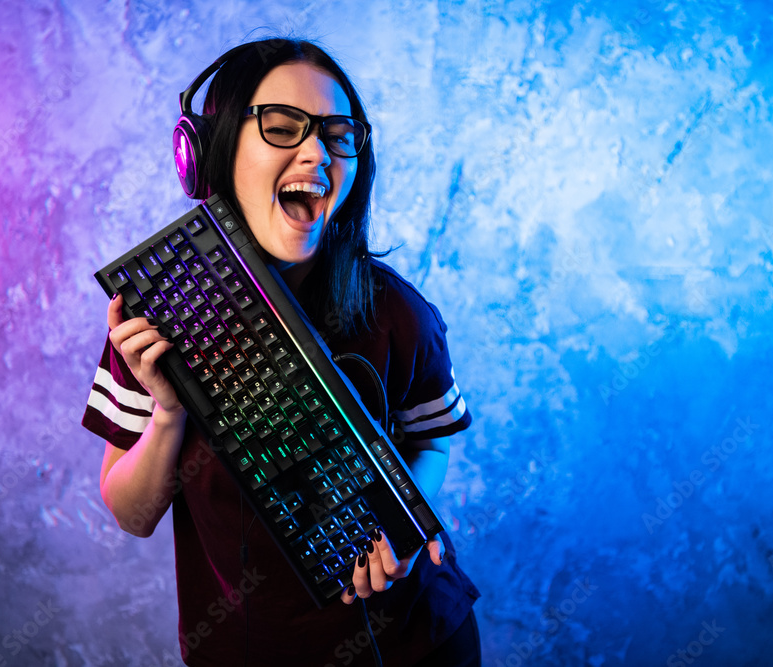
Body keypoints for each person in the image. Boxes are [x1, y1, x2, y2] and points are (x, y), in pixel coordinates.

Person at [82, 38, 481, 666]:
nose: (318, 151)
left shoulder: (399, 313)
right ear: (212, 153)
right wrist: (167, 413)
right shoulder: (151, 327)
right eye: (282, 127)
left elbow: (432, 438)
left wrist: (403, 523)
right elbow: (132, 515)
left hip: (416, 644)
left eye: (337, 134)